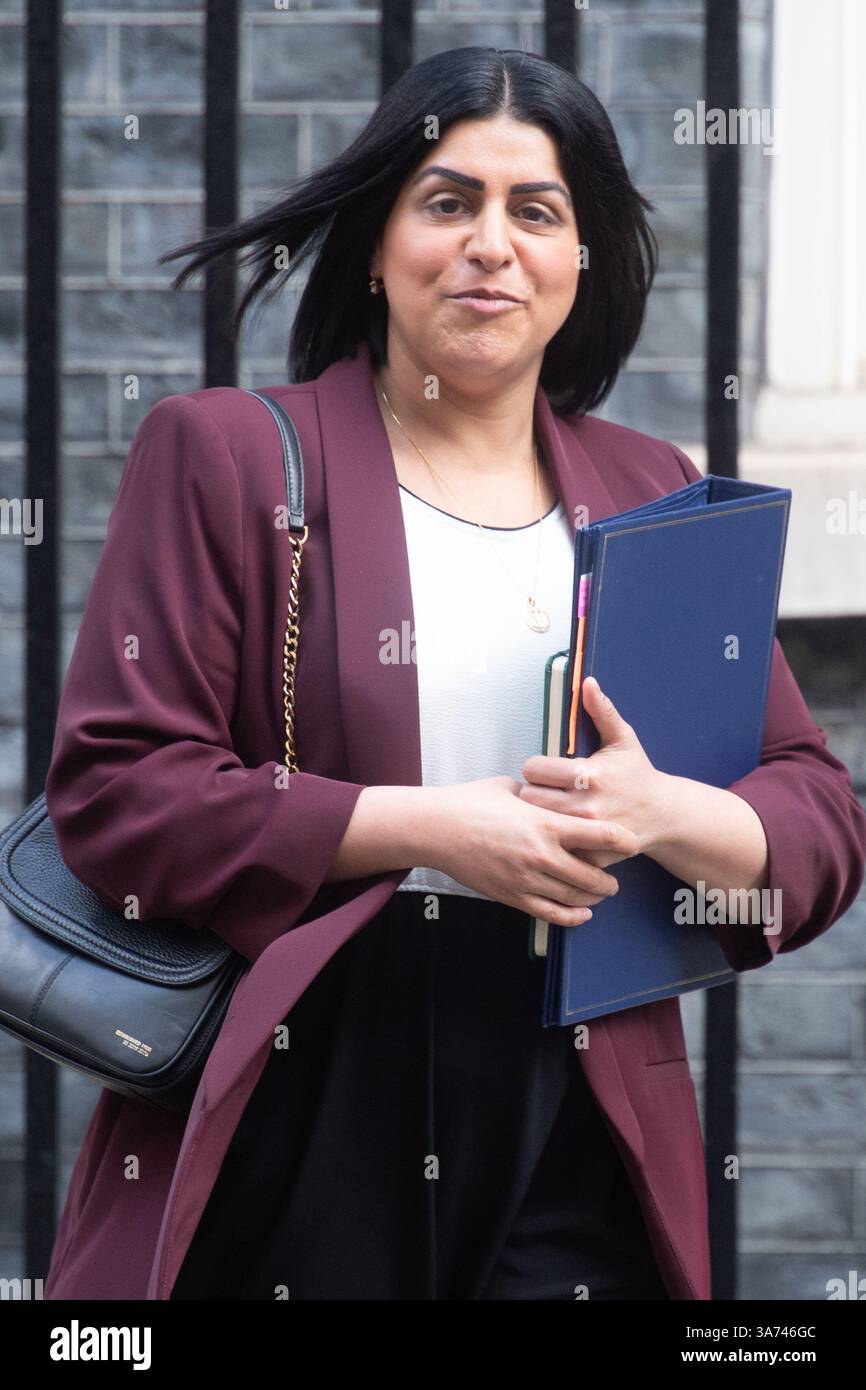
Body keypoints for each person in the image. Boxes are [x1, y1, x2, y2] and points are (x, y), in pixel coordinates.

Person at [43, 48, 866, 1302]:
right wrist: (432, 829)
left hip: (576, 1098)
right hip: (305, 1077)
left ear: (578, 262)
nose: (491, 242)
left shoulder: (649, 491)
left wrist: (666, 814)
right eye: (446, 201)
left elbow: (815, 815)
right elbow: (118, 794)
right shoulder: (227, 458)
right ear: (377, 245)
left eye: (534, 211)